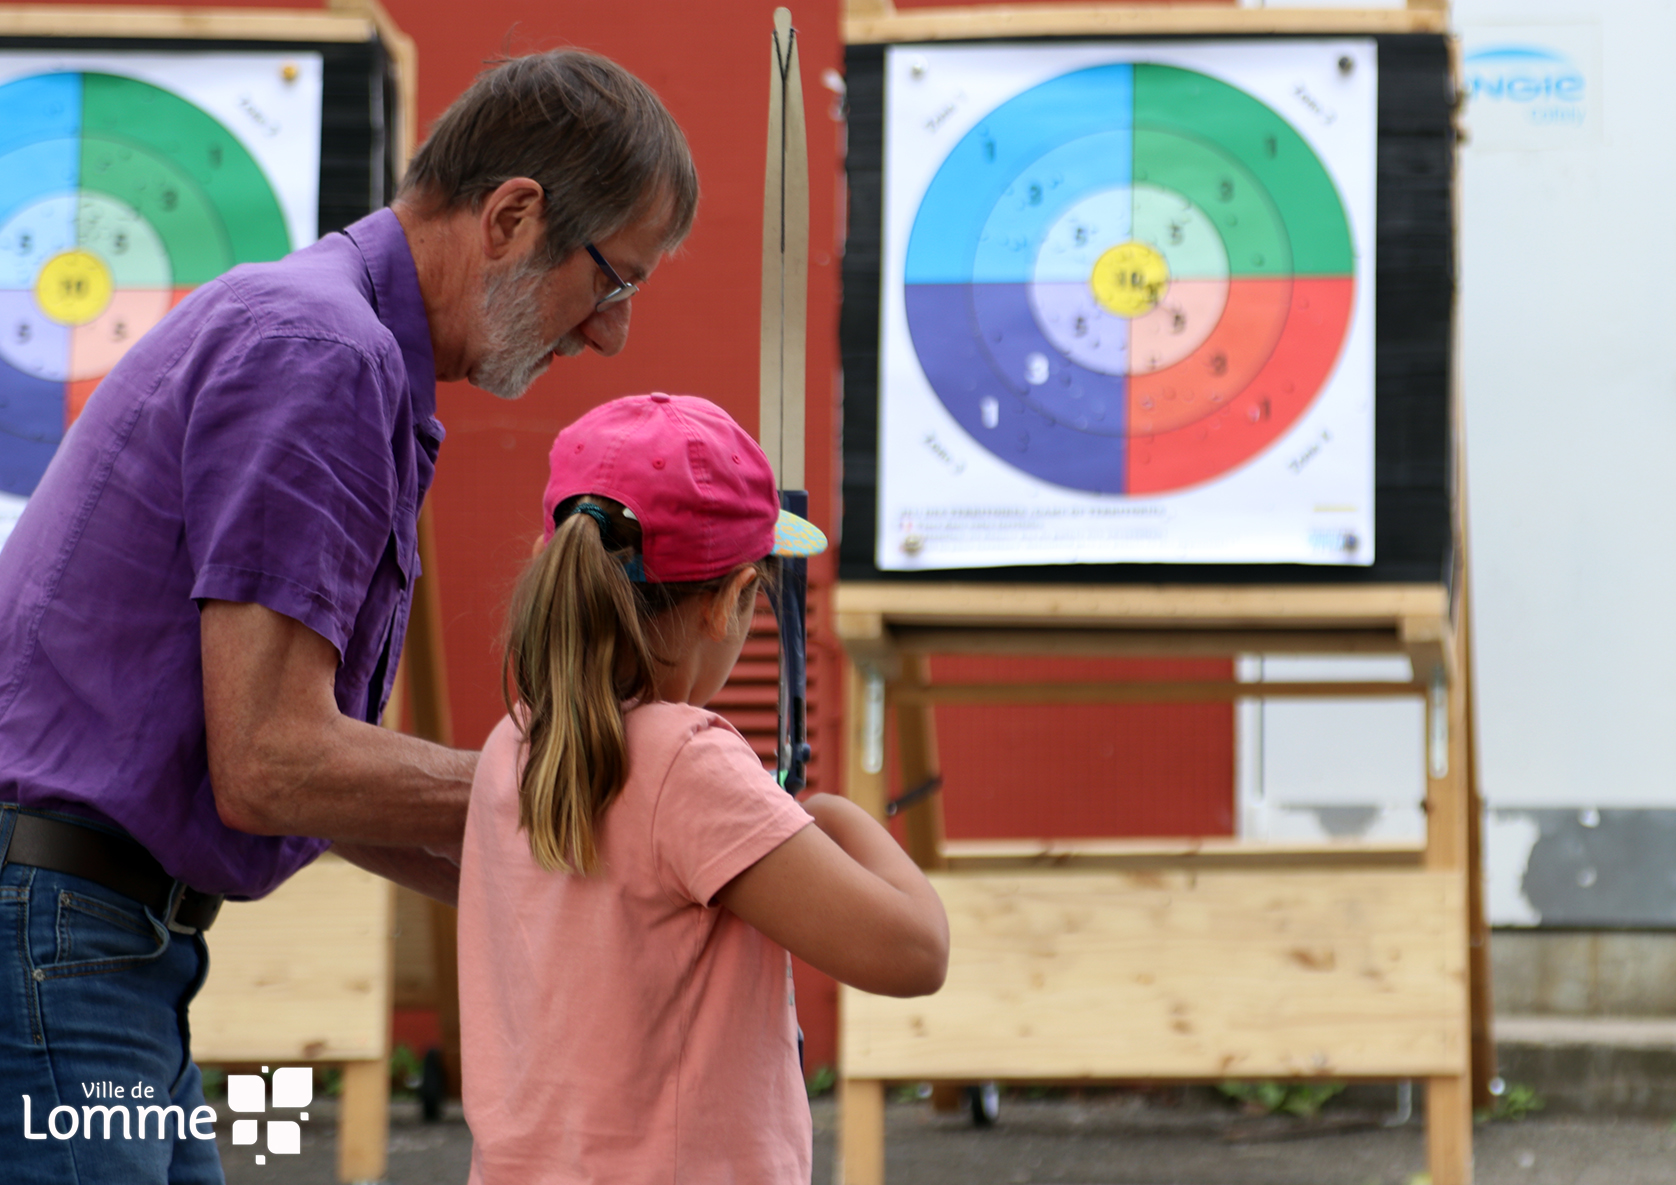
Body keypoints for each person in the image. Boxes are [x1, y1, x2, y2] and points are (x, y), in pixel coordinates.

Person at [0, 50, 697, 1184]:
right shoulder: (323, 353)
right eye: (612, 281)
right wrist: (602, 794)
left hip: (91, 940)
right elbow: (273, 762)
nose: (608, 336)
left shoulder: (327, 337)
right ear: (514, 216)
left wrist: (588, 866)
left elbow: (303, 788)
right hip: (60, 937)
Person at [457, 393, 948, 1184]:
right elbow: (914, 951)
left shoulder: (509, 745)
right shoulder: (688, 764)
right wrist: (832, 817)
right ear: (731, 601)